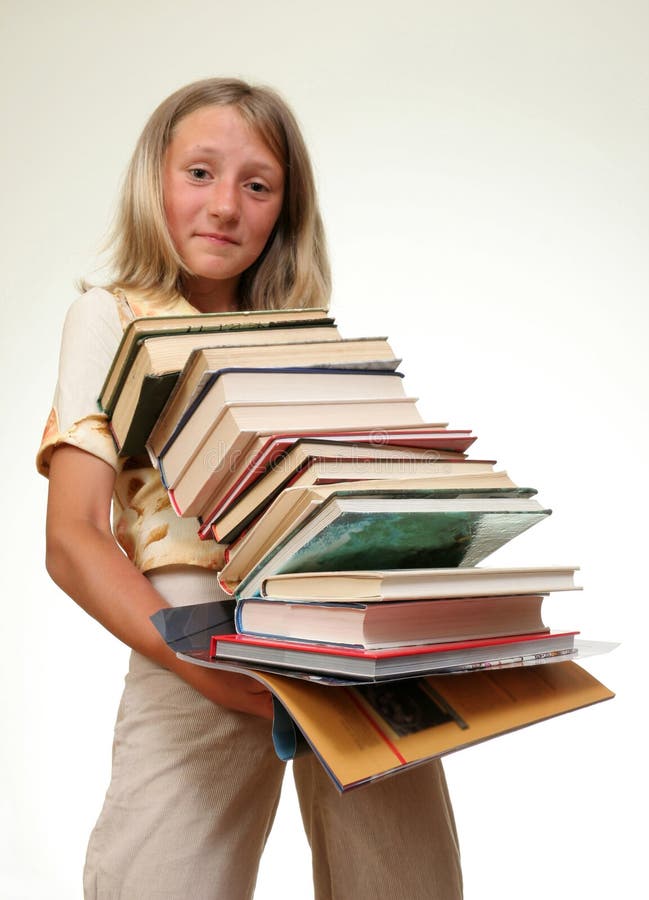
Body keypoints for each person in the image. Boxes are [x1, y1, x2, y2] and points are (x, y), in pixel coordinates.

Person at [38, 77, 463, 900]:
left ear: (283, 210)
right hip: (192, 643)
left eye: (257, 184)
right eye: (199, 173)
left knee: (408, 882)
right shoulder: (111, 316)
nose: (226, 206)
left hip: (344, 650)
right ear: (153, 179)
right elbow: (72, 539)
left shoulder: (310, 340)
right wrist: (200, 667)